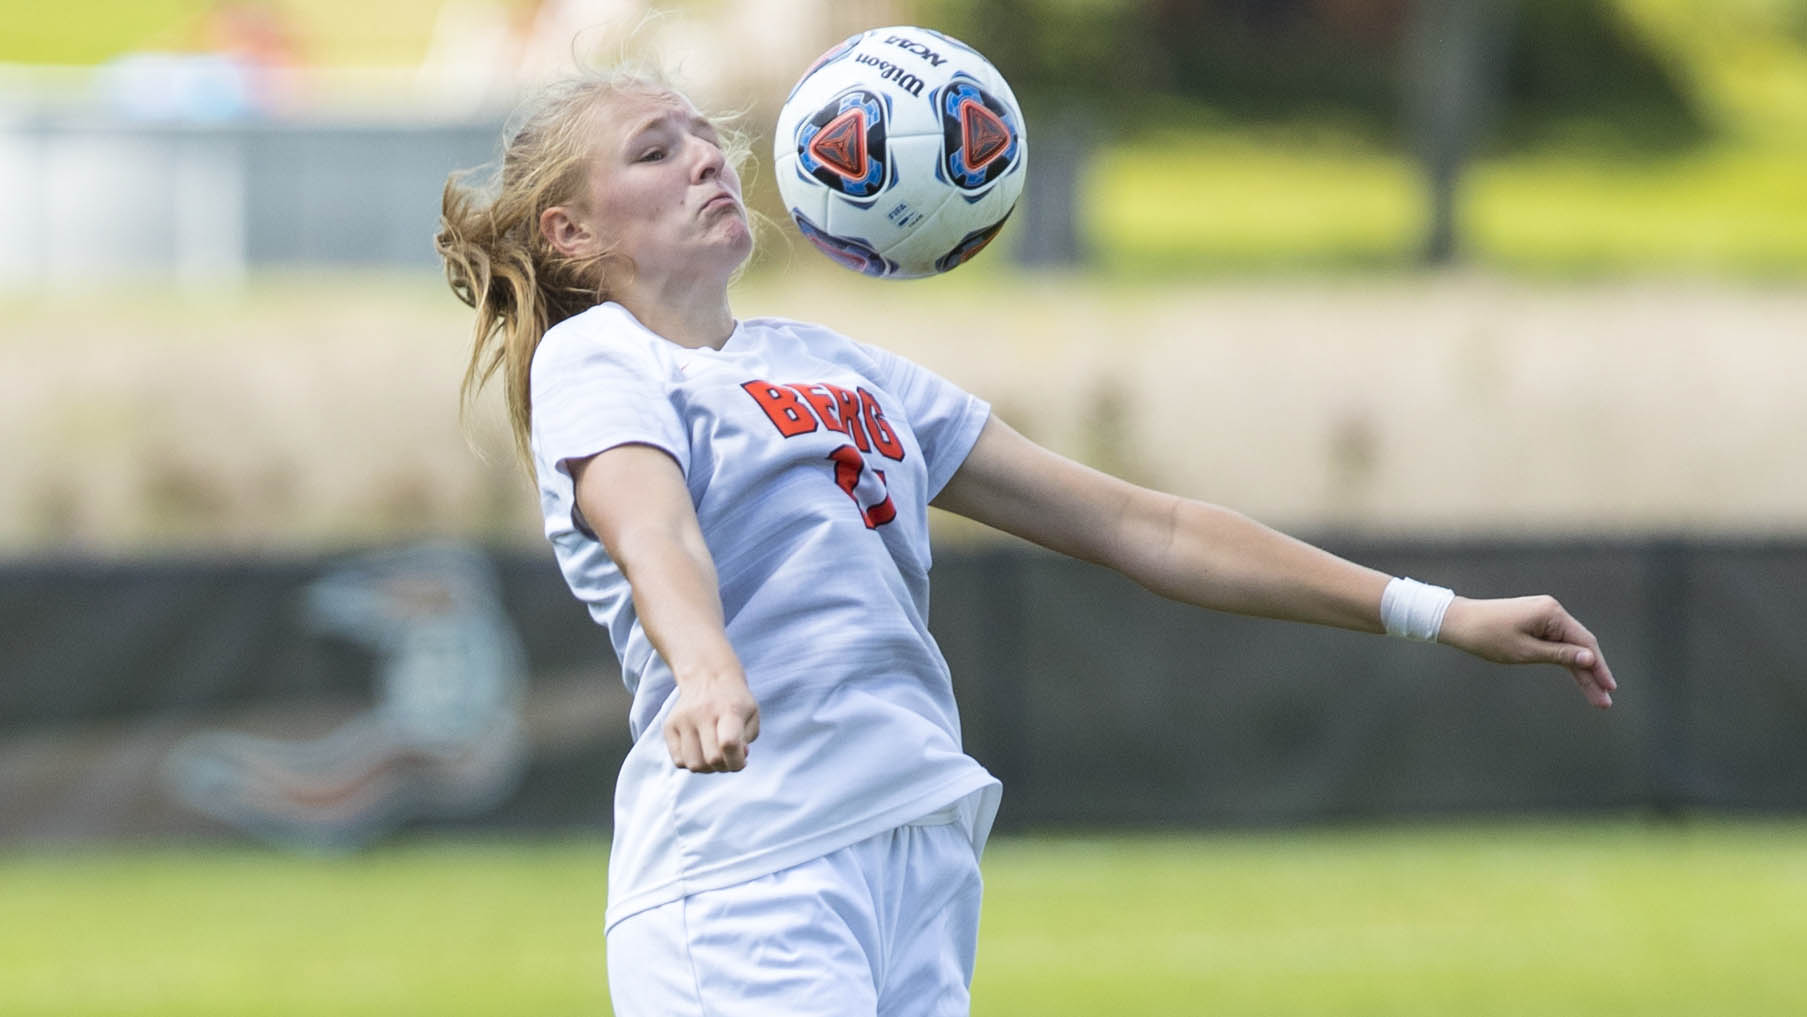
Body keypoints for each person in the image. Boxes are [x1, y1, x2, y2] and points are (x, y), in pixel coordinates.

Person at [436, 69, 1617, 1017]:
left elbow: (1143, 525)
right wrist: (703, 664)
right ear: (572, 236)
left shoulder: (837, 366)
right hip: (754, 872)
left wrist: (1435, 611)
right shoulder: (600, 360)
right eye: (654, 149)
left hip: (915, 858)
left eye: (704, 136)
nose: (705, 157)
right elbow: (651, 526)